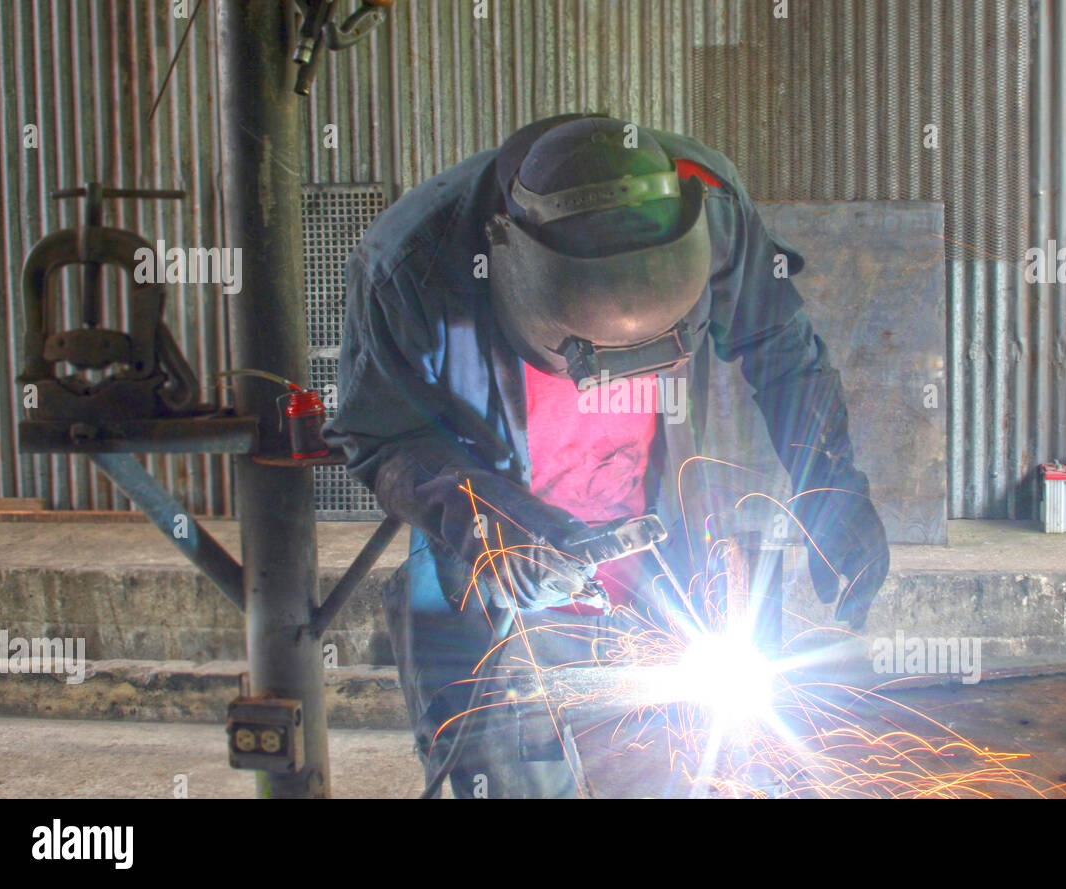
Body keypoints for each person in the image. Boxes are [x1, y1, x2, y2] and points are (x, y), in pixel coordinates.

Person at [327, 113, 889, 798]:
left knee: (695, 761)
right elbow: (382, 438)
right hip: (494, 568)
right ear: (510, 263)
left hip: (659, 545)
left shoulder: (706, 203)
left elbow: (781, 348)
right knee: (513, 772)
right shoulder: (410, 269)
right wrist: (485, 519)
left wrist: (830, 483)